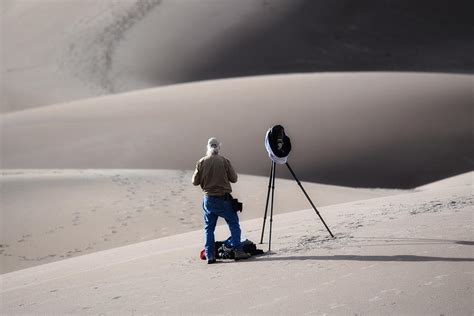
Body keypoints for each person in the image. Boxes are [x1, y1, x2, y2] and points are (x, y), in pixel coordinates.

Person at [192, 137, 250, 264]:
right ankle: (238, 251)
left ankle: (210, 255)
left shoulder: (201, 162)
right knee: (234, 224)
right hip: (223, 200)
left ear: (208, 147)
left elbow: (194, 182)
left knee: (209, 228)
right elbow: (234, 178)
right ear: (219, 147)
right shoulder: (224, 161)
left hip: (208, 200)